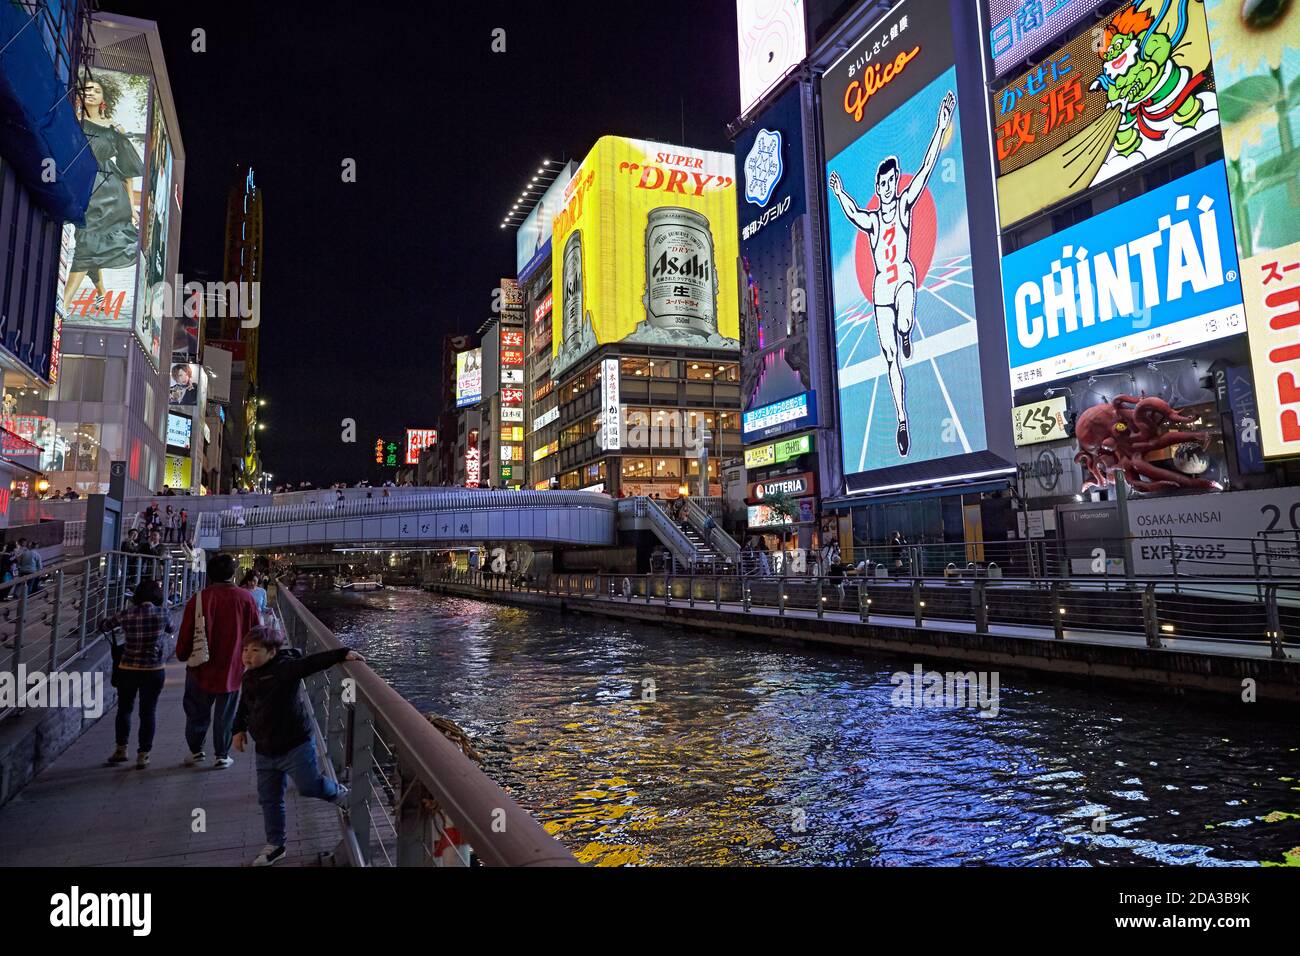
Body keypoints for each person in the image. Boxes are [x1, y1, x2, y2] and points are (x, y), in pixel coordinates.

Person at [828, 89, 955, 457]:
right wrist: (838, 193)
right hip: (882, 285)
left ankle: (906, 330)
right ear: (876, 187)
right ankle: (902, 418)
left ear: (895, 181)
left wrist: (940, 125)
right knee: (889, 358)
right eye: (880, 185)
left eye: (890, 182)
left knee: (904, 316)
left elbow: (928, 168)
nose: (885, 189)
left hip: (903, 274)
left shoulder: (903, 207)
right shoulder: (871, 219)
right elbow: (853, 213)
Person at [232, 624, 363, 866]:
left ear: (272, 653)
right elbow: (245, 703)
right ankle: (276, 844)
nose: (247, 655)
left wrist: (342, 653)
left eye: (255, 650)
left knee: (309, 785)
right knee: (269, 798)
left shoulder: (284, 670)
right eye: (245, 650)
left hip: (295, 744)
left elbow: (310, 664)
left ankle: (341, 795)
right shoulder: (249, 675)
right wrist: (238, 729)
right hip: (264, 748)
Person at [175, 553, 262, 768]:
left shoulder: (199, 598)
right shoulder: (246, 598)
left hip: (200, 666)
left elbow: (186, 634)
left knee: (196, 710)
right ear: (233, 574)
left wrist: (182, 654)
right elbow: (256, 632)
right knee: (226, 712)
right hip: (232, 665)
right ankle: (221, 754)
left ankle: (196, 751)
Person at [101, 580, 173, 769]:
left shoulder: (127, 613)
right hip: (154, 669)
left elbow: (106, 625)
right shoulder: (163, 613)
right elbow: (171, 629)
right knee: (148, 712)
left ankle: (121, 749)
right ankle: (143, 754)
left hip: (128, 668)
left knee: (125, 709)